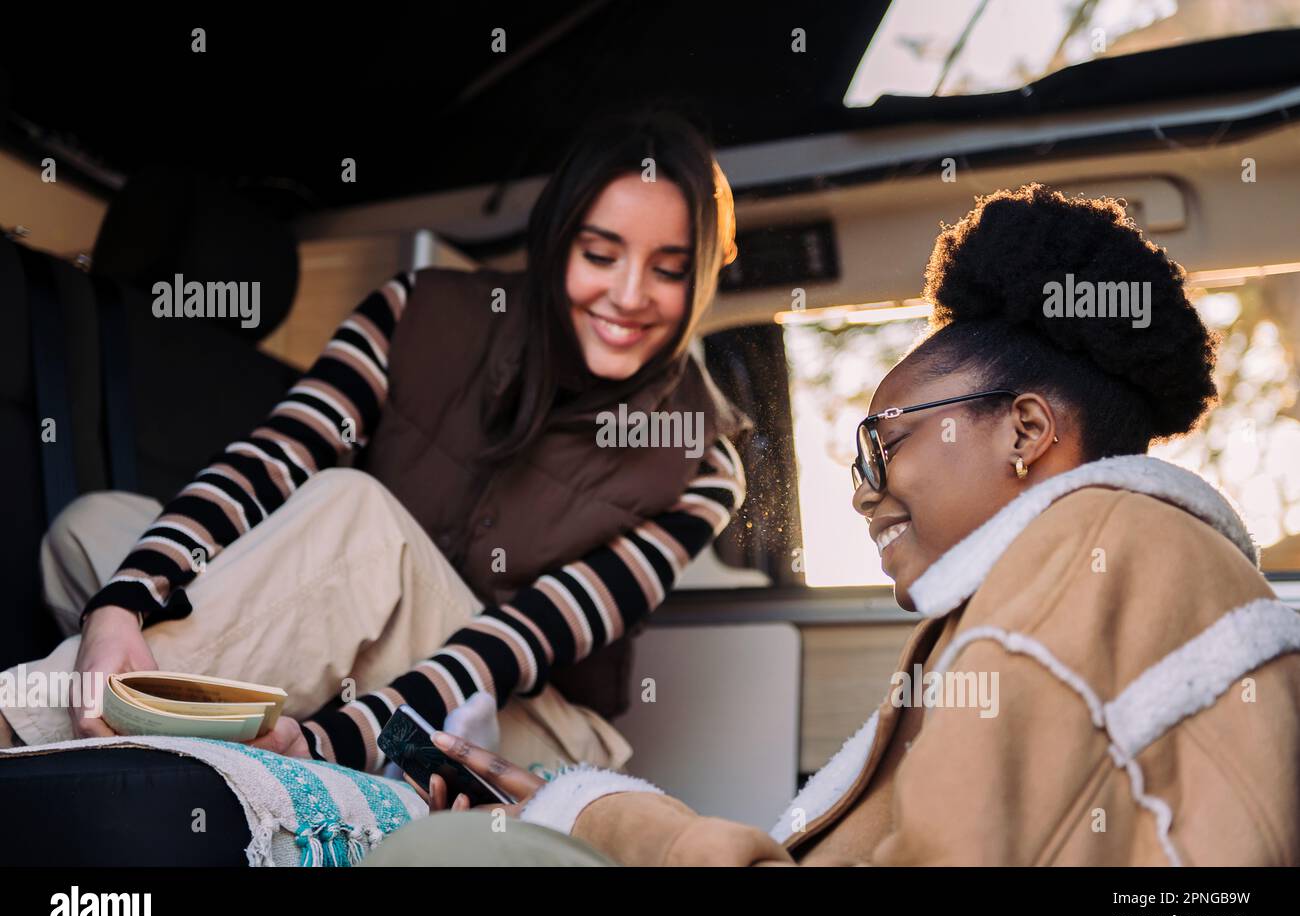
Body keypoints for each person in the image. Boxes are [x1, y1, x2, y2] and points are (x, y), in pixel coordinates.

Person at [361, 184, 1300, 866]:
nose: (861, 489)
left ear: (1024, 430)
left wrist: (596, 820)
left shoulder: (1094, 552)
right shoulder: (1104, 568)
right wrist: (582, 811)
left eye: (879, 443)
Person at [0, 108, 749, 780]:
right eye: (600, 253)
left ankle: (18, 726)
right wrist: (120, 608)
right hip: (360, 647)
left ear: (701, 277)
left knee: (356, 514)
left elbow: (517, 644)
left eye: (669, 269)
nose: (627, 294)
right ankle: (169, 718)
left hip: (520, 728)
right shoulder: (415, 312)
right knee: (93, 529)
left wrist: (328, 743)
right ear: (556, 244)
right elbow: (274, 460)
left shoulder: (704, 463)